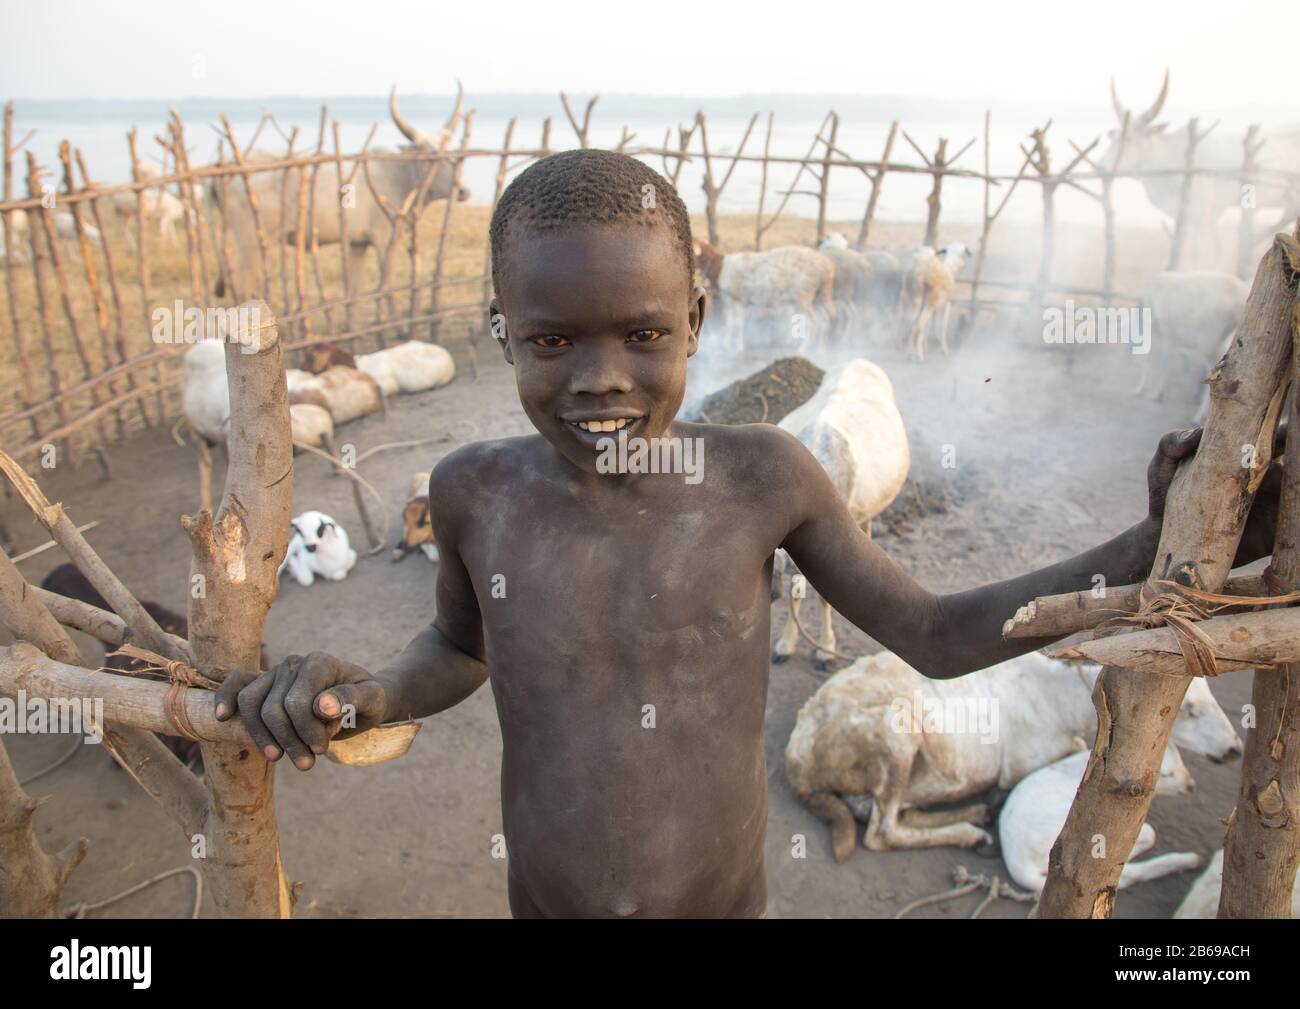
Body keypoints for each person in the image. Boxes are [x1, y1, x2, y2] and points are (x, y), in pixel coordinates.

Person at [215, 149, 1278, 918]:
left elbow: (935, 633)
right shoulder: (472, 491)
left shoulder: (763, 476)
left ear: (698, 321)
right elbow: (455, 648)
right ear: (501, 329)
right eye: (550, 339)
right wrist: (372, 693)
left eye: (643, 334)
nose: (599, 378)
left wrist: (1144, 546)